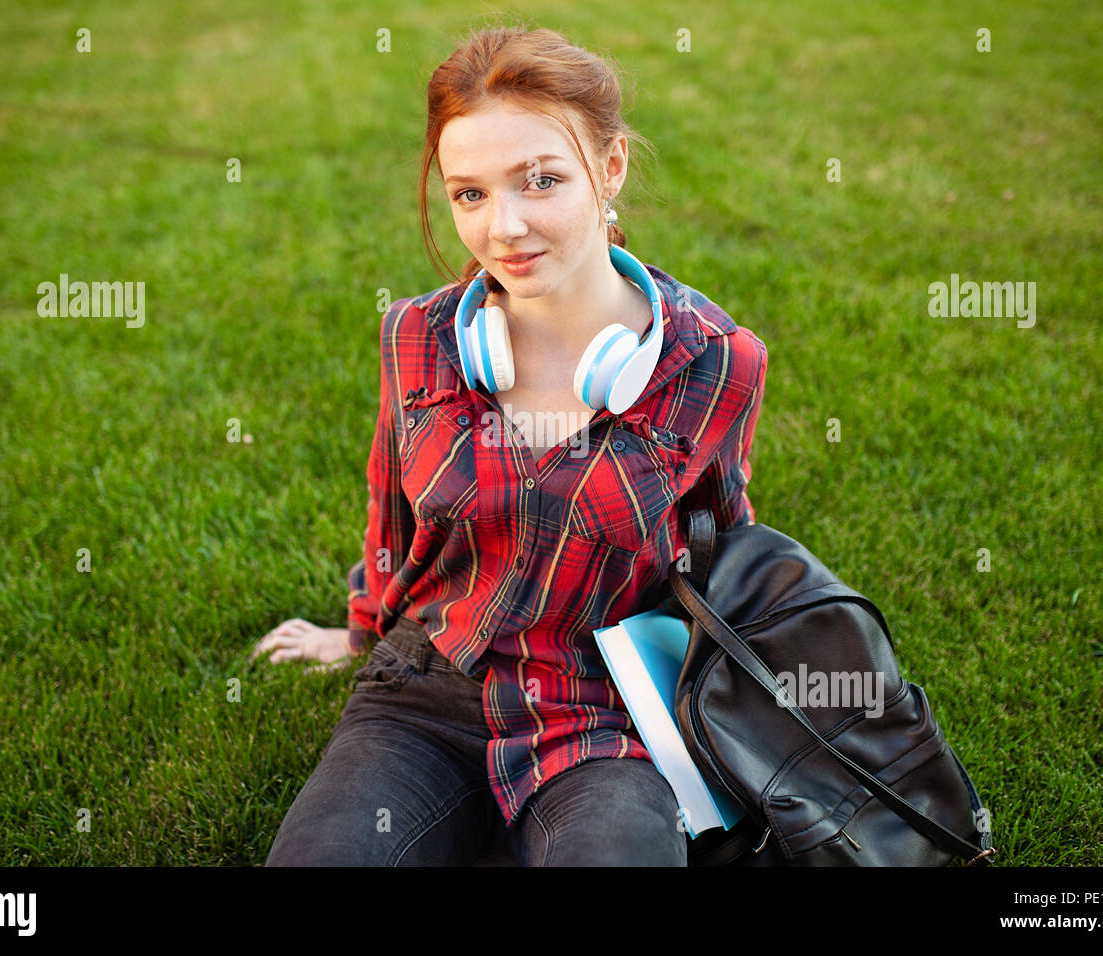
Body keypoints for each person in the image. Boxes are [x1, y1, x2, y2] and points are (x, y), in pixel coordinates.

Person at [253, 24, 768, 866]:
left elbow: (726, 540)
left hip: (604, 716)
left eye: (541, 181)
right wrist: (355, 632)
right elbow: (391, 511)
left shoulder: (715, 362)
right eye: (470, 195)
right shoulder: (417, 335)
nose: (506, 228)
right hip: (425, 690)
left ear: (611, 168)